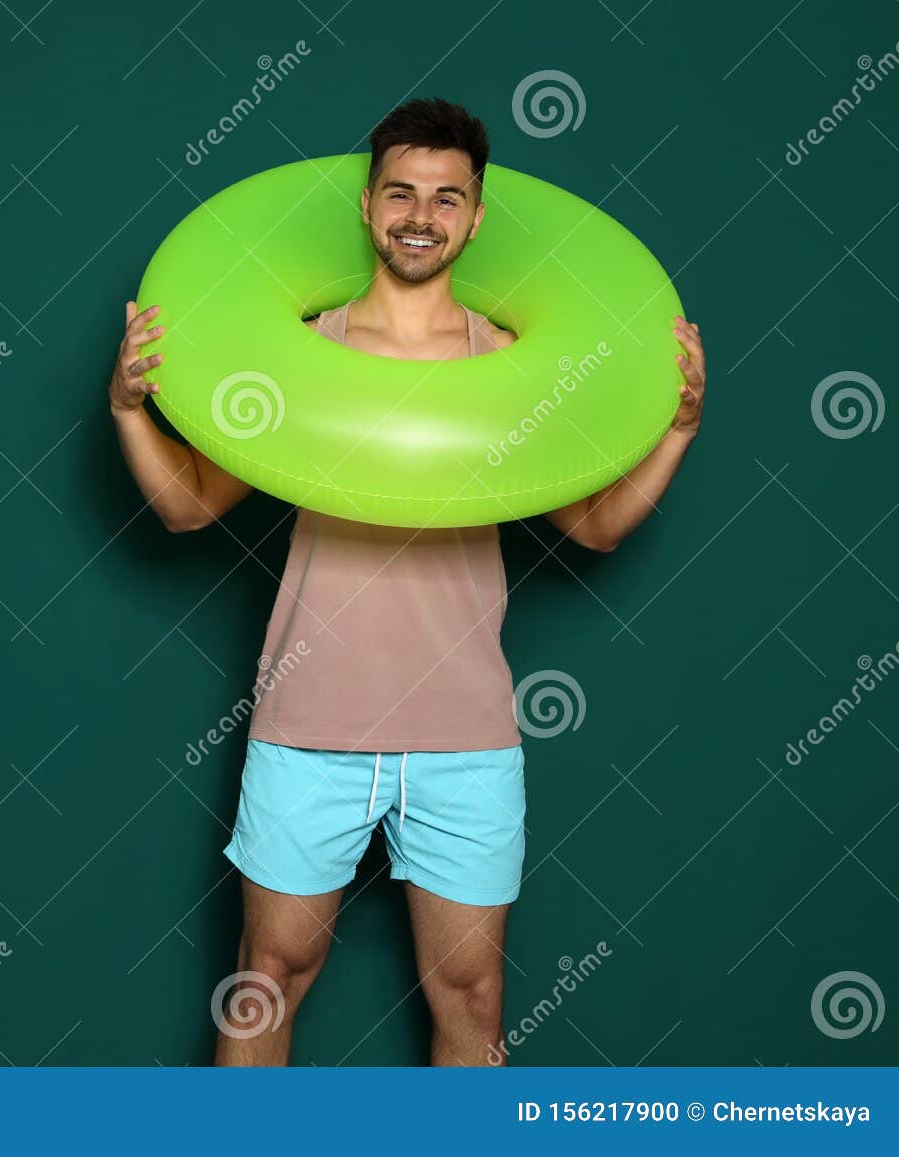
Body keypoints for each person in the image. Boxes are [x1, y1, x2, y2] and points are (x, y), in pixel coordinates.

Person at [107, 97, 706, 1066]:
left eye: (444, 197)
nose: (419, 215)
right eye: (399, 193)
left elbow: (593, 526)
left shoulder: (515, 372)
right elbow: (187, 508)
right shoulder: (301, 354)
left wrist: (673, 430)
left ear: (474, 217)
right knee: (267, 977)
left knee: (472, 994)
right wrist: (130, 410)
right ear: (366, 205)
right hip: (311, 723)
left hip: (463, 738)